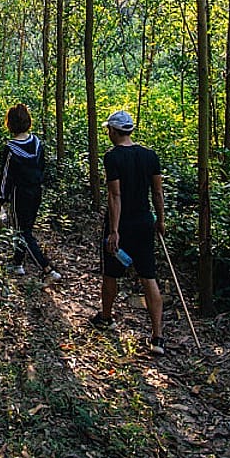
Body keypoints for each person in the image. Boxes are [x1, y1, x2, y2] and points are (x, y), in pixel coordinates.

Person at [91, 109, 167, 356]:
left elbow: (115, 195)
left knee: (111, 273)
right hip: (145, 221)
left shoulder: (112, 158)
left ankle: (106, 316)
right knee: (149, 276)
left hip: (122, 224)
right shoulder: (150, 155)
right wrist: (161, 220)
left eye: (108, 130)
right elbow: (157, 192)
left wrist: (114, 231)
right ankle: (157, 337)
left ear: (114, 131)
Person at [0, 103, 60, 283]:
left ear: (10, 123)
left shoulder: (11, 148)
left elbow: (6, 176)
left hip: (20, 194)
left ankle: (47, 269)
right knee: (25, 228)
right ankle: (17, 264)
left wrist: (0, 197)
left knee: (23, 232)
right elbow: (42, 167)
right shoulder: (37, 143)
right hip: (36, 192)